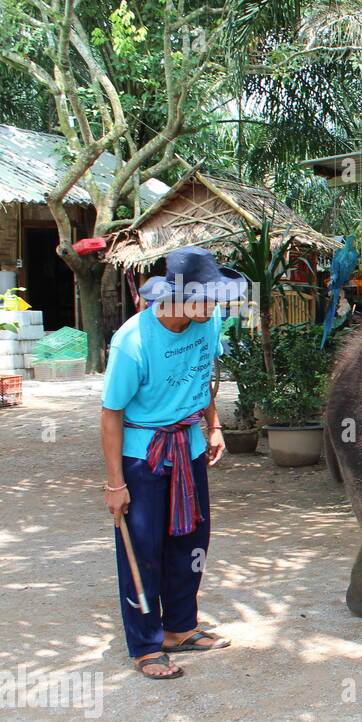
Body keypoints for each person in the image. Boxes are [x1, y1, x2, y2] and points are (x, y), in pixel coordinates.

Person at [100, 246, 247, 679]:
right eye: (207, 298)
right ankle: (146, 645)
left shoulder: (208, 320)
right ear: (173, 298)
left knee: (192, 541)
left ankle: (179, 628)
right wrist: (114, 484)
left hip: (191, 448)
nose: (216, 306)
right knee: (142, 550)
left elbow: (205, 374)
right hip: (143, 456)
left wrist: (214, 425)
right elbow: (111, 414)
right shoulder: (132, 342)